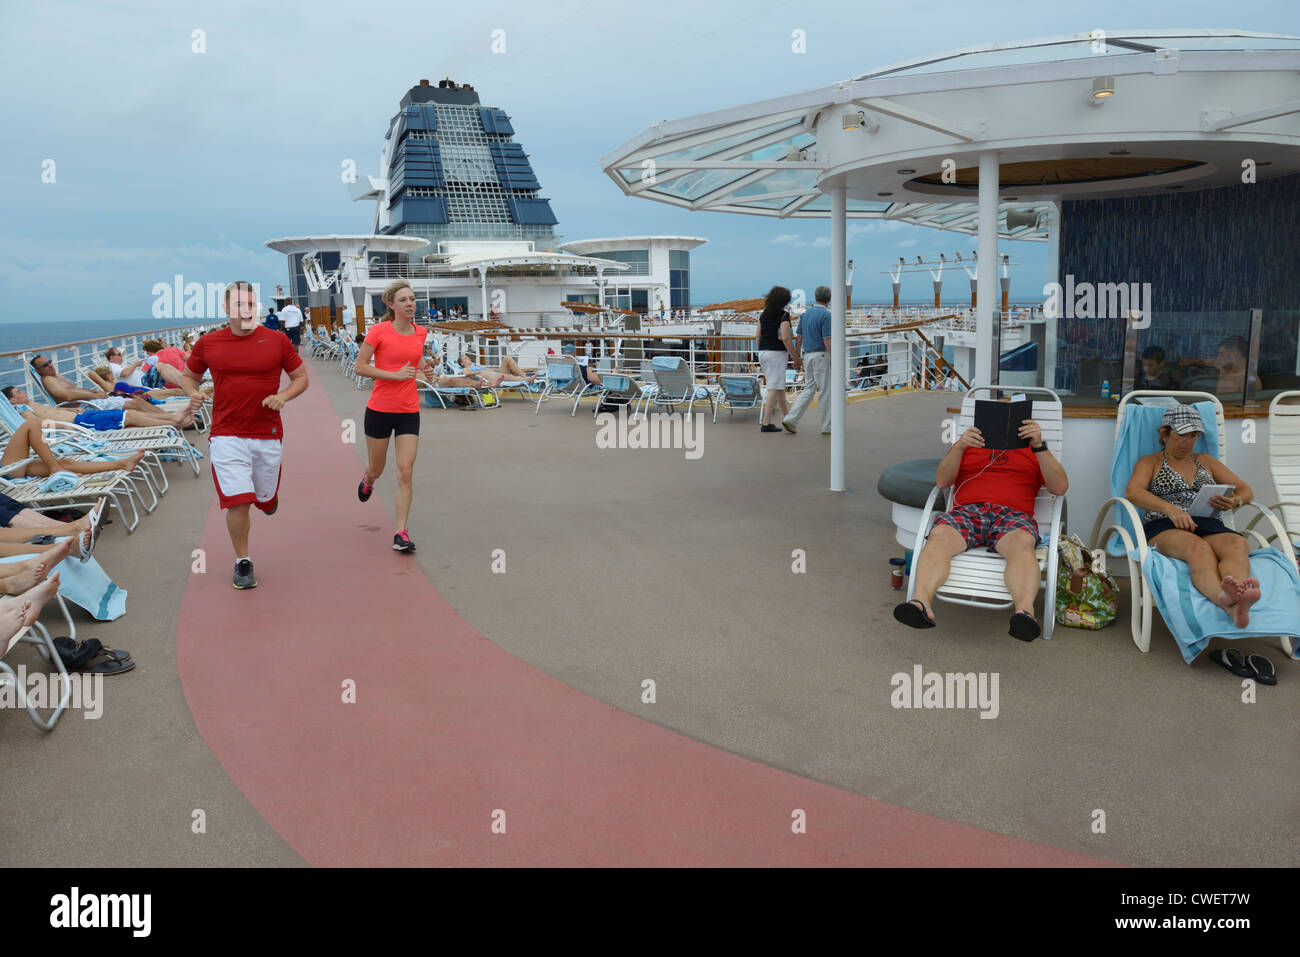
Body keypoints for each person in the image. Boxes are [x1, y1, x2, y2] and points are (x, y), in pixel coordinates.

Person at [894, 407, 1069, 640]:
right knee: (939, 536)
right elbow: (942, 481)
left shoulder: (1033, 450)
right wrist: (960, 446)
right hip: (968, 511)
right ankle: (921, 603)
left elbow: (1060, 488)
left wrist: (1039, 445)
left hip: (1012, 516)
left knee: (1023, 544)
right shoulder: (968, 446)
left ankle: (1024, 613)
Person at [180, 280, 308, 589]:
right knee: (238, 500)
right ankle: (243, 561)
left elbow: (301, 378)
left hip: (267, 432)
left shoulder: (277, 340)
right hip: (227, 432)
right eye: (240, 305)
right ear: (227, 309)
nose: (247, 310)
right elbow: (189, 377)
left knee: (262, 500)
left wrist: (284, 397)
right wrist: (192, 394)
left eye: (251, 304)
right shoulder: (208, 343)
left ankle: (268, 498)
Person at [1123, 404, 1259, 627]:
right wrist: (1170, 509)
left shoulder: (1205, 461)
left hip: (1207, 521)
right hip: (1165, 524)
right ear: (1164, 433)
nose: (1187, 443)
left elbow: (1246, 489)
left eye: (1193, 436)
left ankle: (1238, 594)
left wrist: (1235, 501)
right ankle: (1226, 602)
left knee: (1237, 543)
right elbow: (1132, 492)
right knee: (1198, 548)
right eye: (1181, 435)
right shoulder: (1151, 462)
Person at [353, 279, 433, 553]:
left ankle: (401, 532)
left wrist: (426, 370)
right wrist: (394, 375)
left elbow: (416, 359)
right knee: (377, 467)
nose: (410, 303)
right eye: (404, 300)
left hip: (409, 411)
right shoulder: (379, 331)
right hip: (379, 410)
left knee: (405, 471)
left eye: (412, 298)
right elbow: (360, 367)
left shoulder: (420, 332)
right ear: (391, 305)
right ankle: (369, 480)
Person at [0, 418, 146, 479]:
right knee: (31, 424)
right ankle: (55, 468)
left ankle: (122, 463)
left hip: (6, 470)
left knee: (66, 463)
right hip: (4, 472)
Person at [1, 387, 195, 431]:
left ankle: (173, 420)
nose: (24, 392)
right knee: (130, 416)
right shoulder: (21, 410)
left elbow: (51, 412)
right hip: (79, 424)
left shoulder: (30, 404)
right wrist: (67, 425)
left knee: (132, 415)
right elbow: (37, 425)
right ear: (11, 401)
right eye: (19, 391)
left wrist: (70, 411)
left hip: (80, 416)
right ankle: (173, 421)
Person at [782, 285, 832, 435]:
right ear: (828, 299)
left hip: (807, 355)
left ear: (816, 297)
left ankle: (791, 418)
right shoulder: (826, 316)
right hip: (821, 356)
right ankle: (827, 426)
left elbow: (799, 337)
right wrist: (834, 358)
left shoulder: (805, 314)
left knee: (809, 389)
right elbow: (827, 340)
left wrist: (797, 356)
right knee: (825, 391)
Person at [755, 286, 797, 433]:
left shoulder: (763, 315)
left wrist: (763, 350)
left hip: (763, 352)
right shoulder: (783, 315)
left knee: (778, 386)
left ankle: (788, 418)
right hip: (777, 353)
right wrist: (795, 356)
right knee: (774, 387)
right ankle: (766, 423)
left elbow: (758, 336)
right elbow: (786, 338)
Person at [29, 356, 108, 402]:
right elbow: (68, 396)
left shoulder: (57, 376)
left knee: (118, 399)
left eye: (49, 362)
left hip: (92, 401)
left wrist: (96, 392)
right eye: (45, 365)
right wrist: (94, 396)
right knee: (120, 403)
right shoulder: (48, 380)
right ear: (39, 371)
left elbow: (76, 390)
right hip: (86, 406)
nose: (50, 365)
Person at [456, 354, 538, 386]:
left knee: (507, 358)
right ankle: (528, 379)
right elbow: (466, 374)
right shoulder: (466, 369)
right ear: (462, 363)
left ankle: (525, 377)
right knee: (506, 375)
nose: (468, 358)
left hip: (494, 374)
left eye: (467, 357)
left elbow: (490, 370)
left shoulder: (477, 365)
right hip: (490, 378)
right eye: (465, 358)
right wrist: (479, 371)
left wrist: (501, 368)